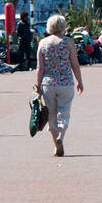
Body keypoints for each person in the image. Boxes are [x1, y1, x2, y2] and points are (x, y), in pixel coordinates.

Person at [35, 14, 84, 157]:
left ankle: (56, 147)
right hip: (65, 82)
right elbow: (75, 64)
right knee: (64, 113)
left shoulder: (43, 43)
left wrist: (37, 85)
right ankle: (61, 137)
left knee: (51, 115)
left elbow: (40, 68)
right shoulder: (68, 42)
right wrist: (80, 81)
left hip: (48, 83)